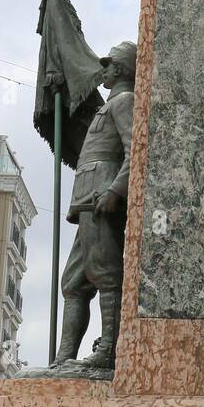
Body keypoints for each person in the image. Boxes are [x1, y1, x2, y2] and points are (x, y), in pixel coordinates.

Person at [50, 41, 136, 371]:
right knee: (73, 282)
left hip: (101, 196)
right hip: (87, 197)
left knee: (106, 274)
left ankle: (108, 352)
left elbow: (134, 149)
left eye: (111, 63)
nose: (105, 68)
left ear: (123, 69)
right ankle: (63, 359)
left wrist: (116, 190)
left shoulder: (125, 100)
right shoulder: (110, 103)